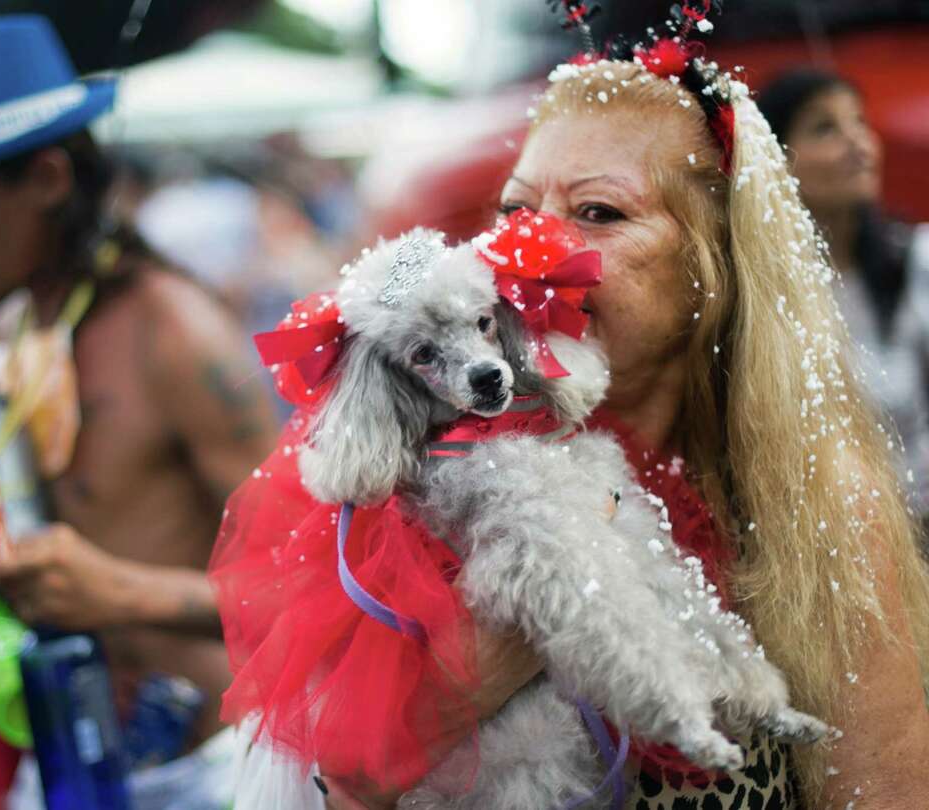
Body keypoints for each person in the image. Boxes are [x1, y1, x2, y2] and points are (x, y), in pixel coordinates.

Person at [314, 44, 929, 810]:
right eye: (514, 211)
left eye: (599, 213)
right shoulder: (427, 486)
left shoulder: (816, 497)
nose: (523, 254)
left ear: (713, 261)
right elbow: (347, 784)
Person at [0, 14, 278, 808]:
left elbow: (306, 590)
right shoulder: (3, 338)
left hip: (208, 770)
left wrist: (122, 592)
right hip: (64, 759)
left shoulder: (174, 333)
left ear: (49, 179)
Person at [757, 68, 929, 519]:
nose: (859, 144)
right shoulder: (759, 295)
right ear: (775, 159)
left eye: (859, 122)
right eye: (825, 127)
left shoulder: (915, 260)